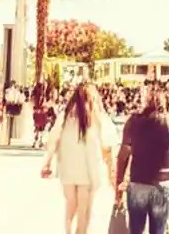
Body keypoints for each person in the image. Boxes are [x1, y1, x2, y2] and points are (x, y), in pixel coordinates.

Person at [41, 83, 118, 234]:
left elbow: (54, 139)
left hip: (67, 170)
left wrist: (47, 162)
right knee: (84, 210)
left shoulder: (65, 116)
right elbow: (108, 146)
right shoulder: (98, 117)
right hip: (90, 172)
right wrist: (112, 171)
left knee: (70, 206)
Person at [115, 84, 169, 234]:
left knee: (136, 231)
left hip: (138, 182)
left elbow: (123, 155)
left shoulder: (133, 121)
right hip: (163, 183)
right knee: (158, 231)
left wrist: (118, 184)